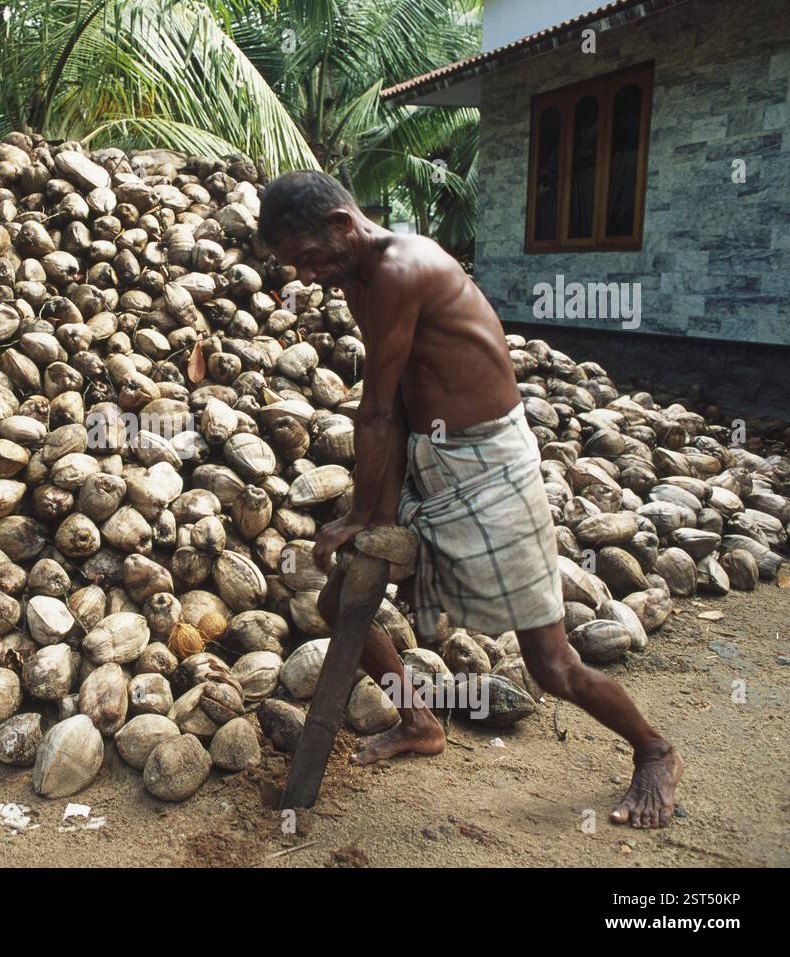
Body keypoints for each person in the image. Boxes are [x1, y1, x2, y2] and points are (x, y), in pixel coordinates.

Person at [256, 170, 682, 828]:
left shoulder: (403, 268)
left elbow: (372, 411)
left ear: (342, 226)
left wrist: (368, 512)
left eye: (308, 259)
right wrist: (373, 509)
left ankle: (653, 749)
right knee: (341, 600)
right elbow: (396, 406)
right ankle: (420, 719)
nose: (307, 277)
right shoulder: (359, 279)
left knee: (551, 662)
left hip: (491, 468)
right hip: (434, 460)